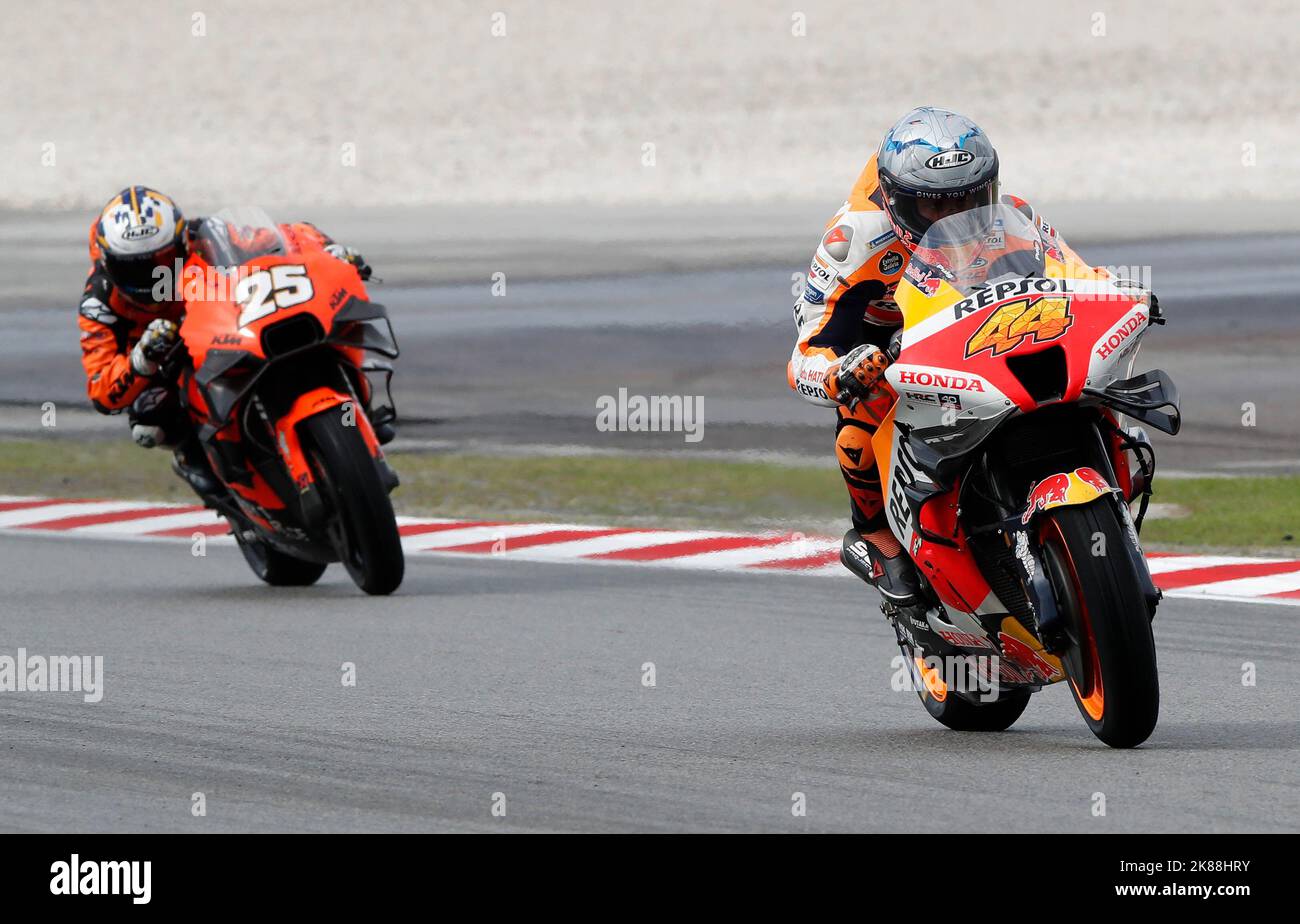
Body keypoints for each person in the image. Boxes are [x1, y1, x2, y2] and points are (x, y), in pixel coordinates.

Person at [786, 107, 1110, 606]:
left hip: (985, 330)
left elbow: (1077, 278)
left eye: (970, 200)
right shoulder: (851, 240)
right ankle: (877, 536)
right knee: (858, 418)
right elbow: (807, 347)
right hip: (889, 347)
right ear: (897, 203)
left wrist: (1112, 291)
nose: (955, 219)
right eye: (934, 208)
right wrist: (837, 373)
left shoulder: (1015, 214)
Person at [78, 186, 374, 503]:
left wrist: (329, 250)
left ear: (181, 242)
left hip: (231, 323)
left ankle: (352, 404)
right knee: (149, 420)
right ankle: (207, 473)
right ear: (109, 263)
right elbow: (102, 389)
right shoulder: (99, 304)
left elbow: (288, 234)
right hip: (171, 361)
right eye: (135, 269)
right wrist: (142, 359)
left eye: (166, 261)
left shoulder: (208, 235)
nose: (155, 278)